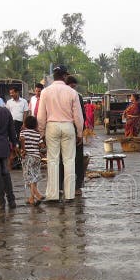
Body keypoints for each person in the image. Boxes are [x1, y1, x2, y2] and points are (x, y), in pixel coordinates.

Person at [36, 65, 84, 202]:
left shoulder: (45, 92)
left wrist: (41, 134)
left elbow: (41, 116)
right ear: (64, 76)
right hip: (68, 126)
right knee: (69, 160)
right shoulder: (72, 92)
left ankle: (53, 194)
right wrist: (79, 132)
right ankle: (69, 195)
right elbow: (78, 116)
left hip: (52, 126)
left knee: (53, 160)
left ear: (54, 76)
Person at [64, 76, 86, 196]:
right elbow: (80, 116)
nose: (73, 89)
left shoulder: (76, 96)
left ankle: (72, 186)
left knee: (69, 159)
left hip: (66, 131)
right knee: (75, 159)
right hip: (72, 130)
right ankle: (74, 186)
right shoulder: (76, 96)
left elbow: (81, 115)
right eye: (72, 86)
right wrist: (80, 132)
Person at [19, 115, 44, 206]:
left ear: (25, 124)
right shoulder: (37, 134)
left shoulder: (23, 132)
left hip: (28, 157)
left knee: (29, 177)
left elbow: (22, 140)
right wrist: (41, 152)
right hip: (37, 157)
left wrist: (23, 149)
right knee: (34, 176)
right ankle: (31, 198)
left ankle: (37, 194)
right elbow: (42, 146)